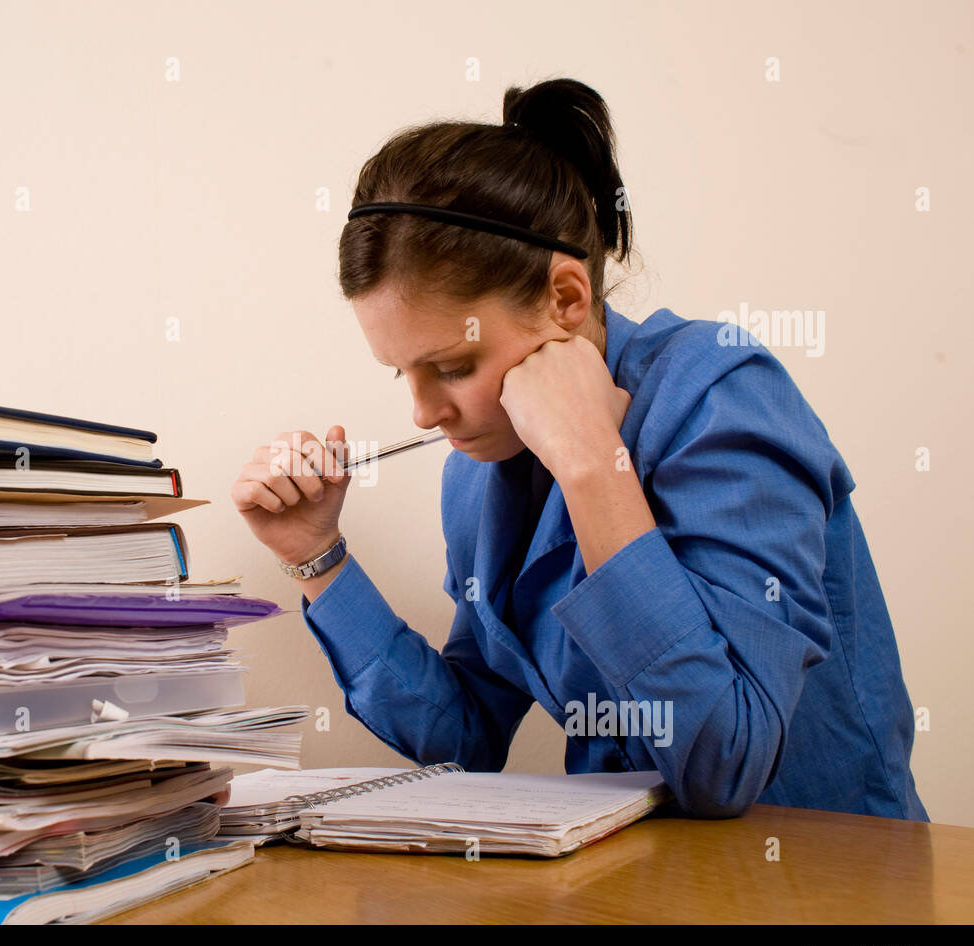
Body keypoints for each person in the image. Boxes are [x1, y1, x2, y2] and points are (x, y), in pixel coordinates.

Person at [230, 77, 927, 821]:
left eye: (455, 366)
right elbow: (466, 735)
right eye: (403, 372)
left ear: (567, 299)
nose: (426, 413)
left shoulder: (724, 397)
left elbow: (727, 762)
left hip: (831, 886)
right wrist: (319, 557)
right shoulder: (482, 474)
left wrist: (594, 464)